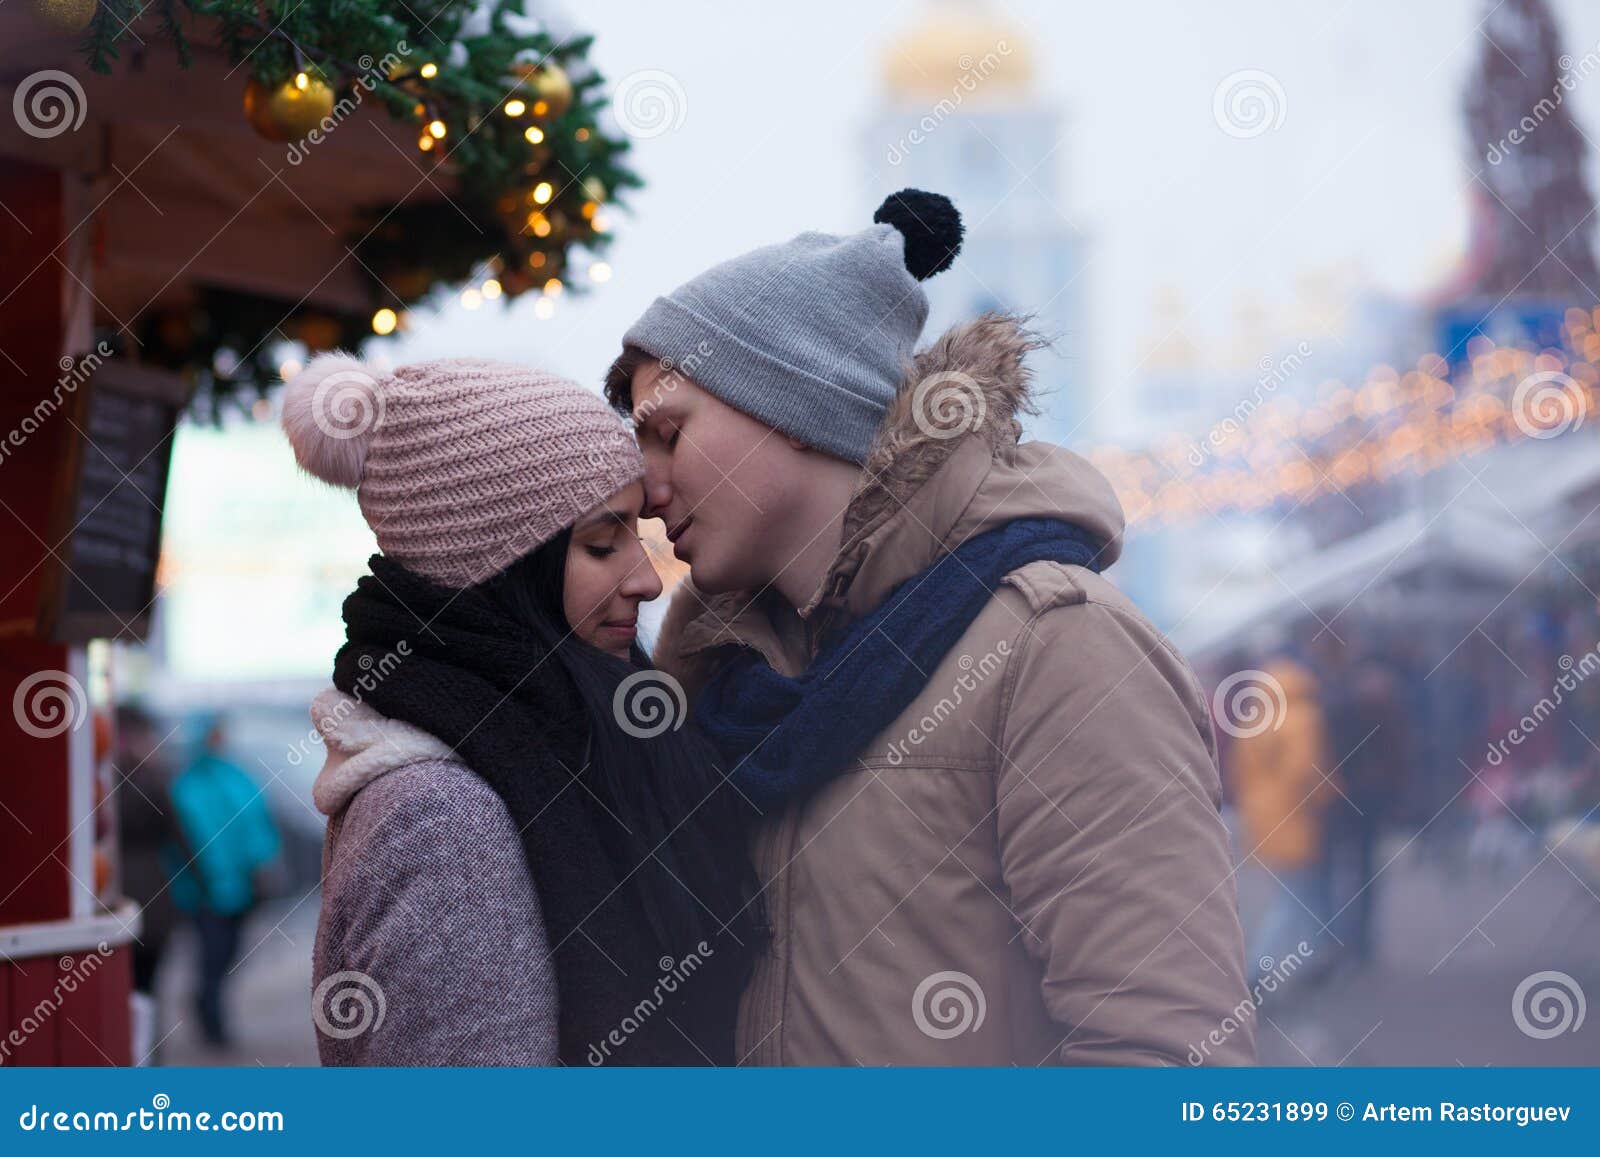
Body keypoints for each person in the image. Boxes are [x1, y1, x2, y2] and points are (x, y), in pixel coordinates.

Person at [605, 189, 1254, 1065]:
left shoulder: (1060, 646)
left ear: (795, 409)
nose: (646, 486)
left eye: (669, 434)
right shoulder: (727, 677)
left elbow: (1165, 1051)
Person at [283, 354, 761, 1066]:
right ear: (500, 572)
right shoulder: (441, 819)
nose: (645, 580)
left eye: (637, 533)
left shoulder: (552, 742)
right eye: (602, 543)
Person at [163, 715, 282, 1048]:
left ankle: (212, 1014)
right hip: (204, 892)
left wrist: (262, 863)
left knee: (229, 954)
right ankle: (211, 1022)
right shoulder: (187, 785)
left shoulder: (234, 777)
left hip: (240, 889)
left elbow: (259, 826)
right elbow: (185, 842)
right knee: (212, 957)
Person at [1227, 657, 1336, 984]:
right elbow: (1304, 773)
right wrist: (1327, 797)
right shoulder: (1303, 718)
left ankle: (1312, 958)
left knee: (1296, 894)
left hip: (1260, 816)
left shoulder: (1255, 718)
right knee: (1293, 897)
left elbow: (1237, 770)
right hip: (1295, 816)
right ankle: (1258, 967)